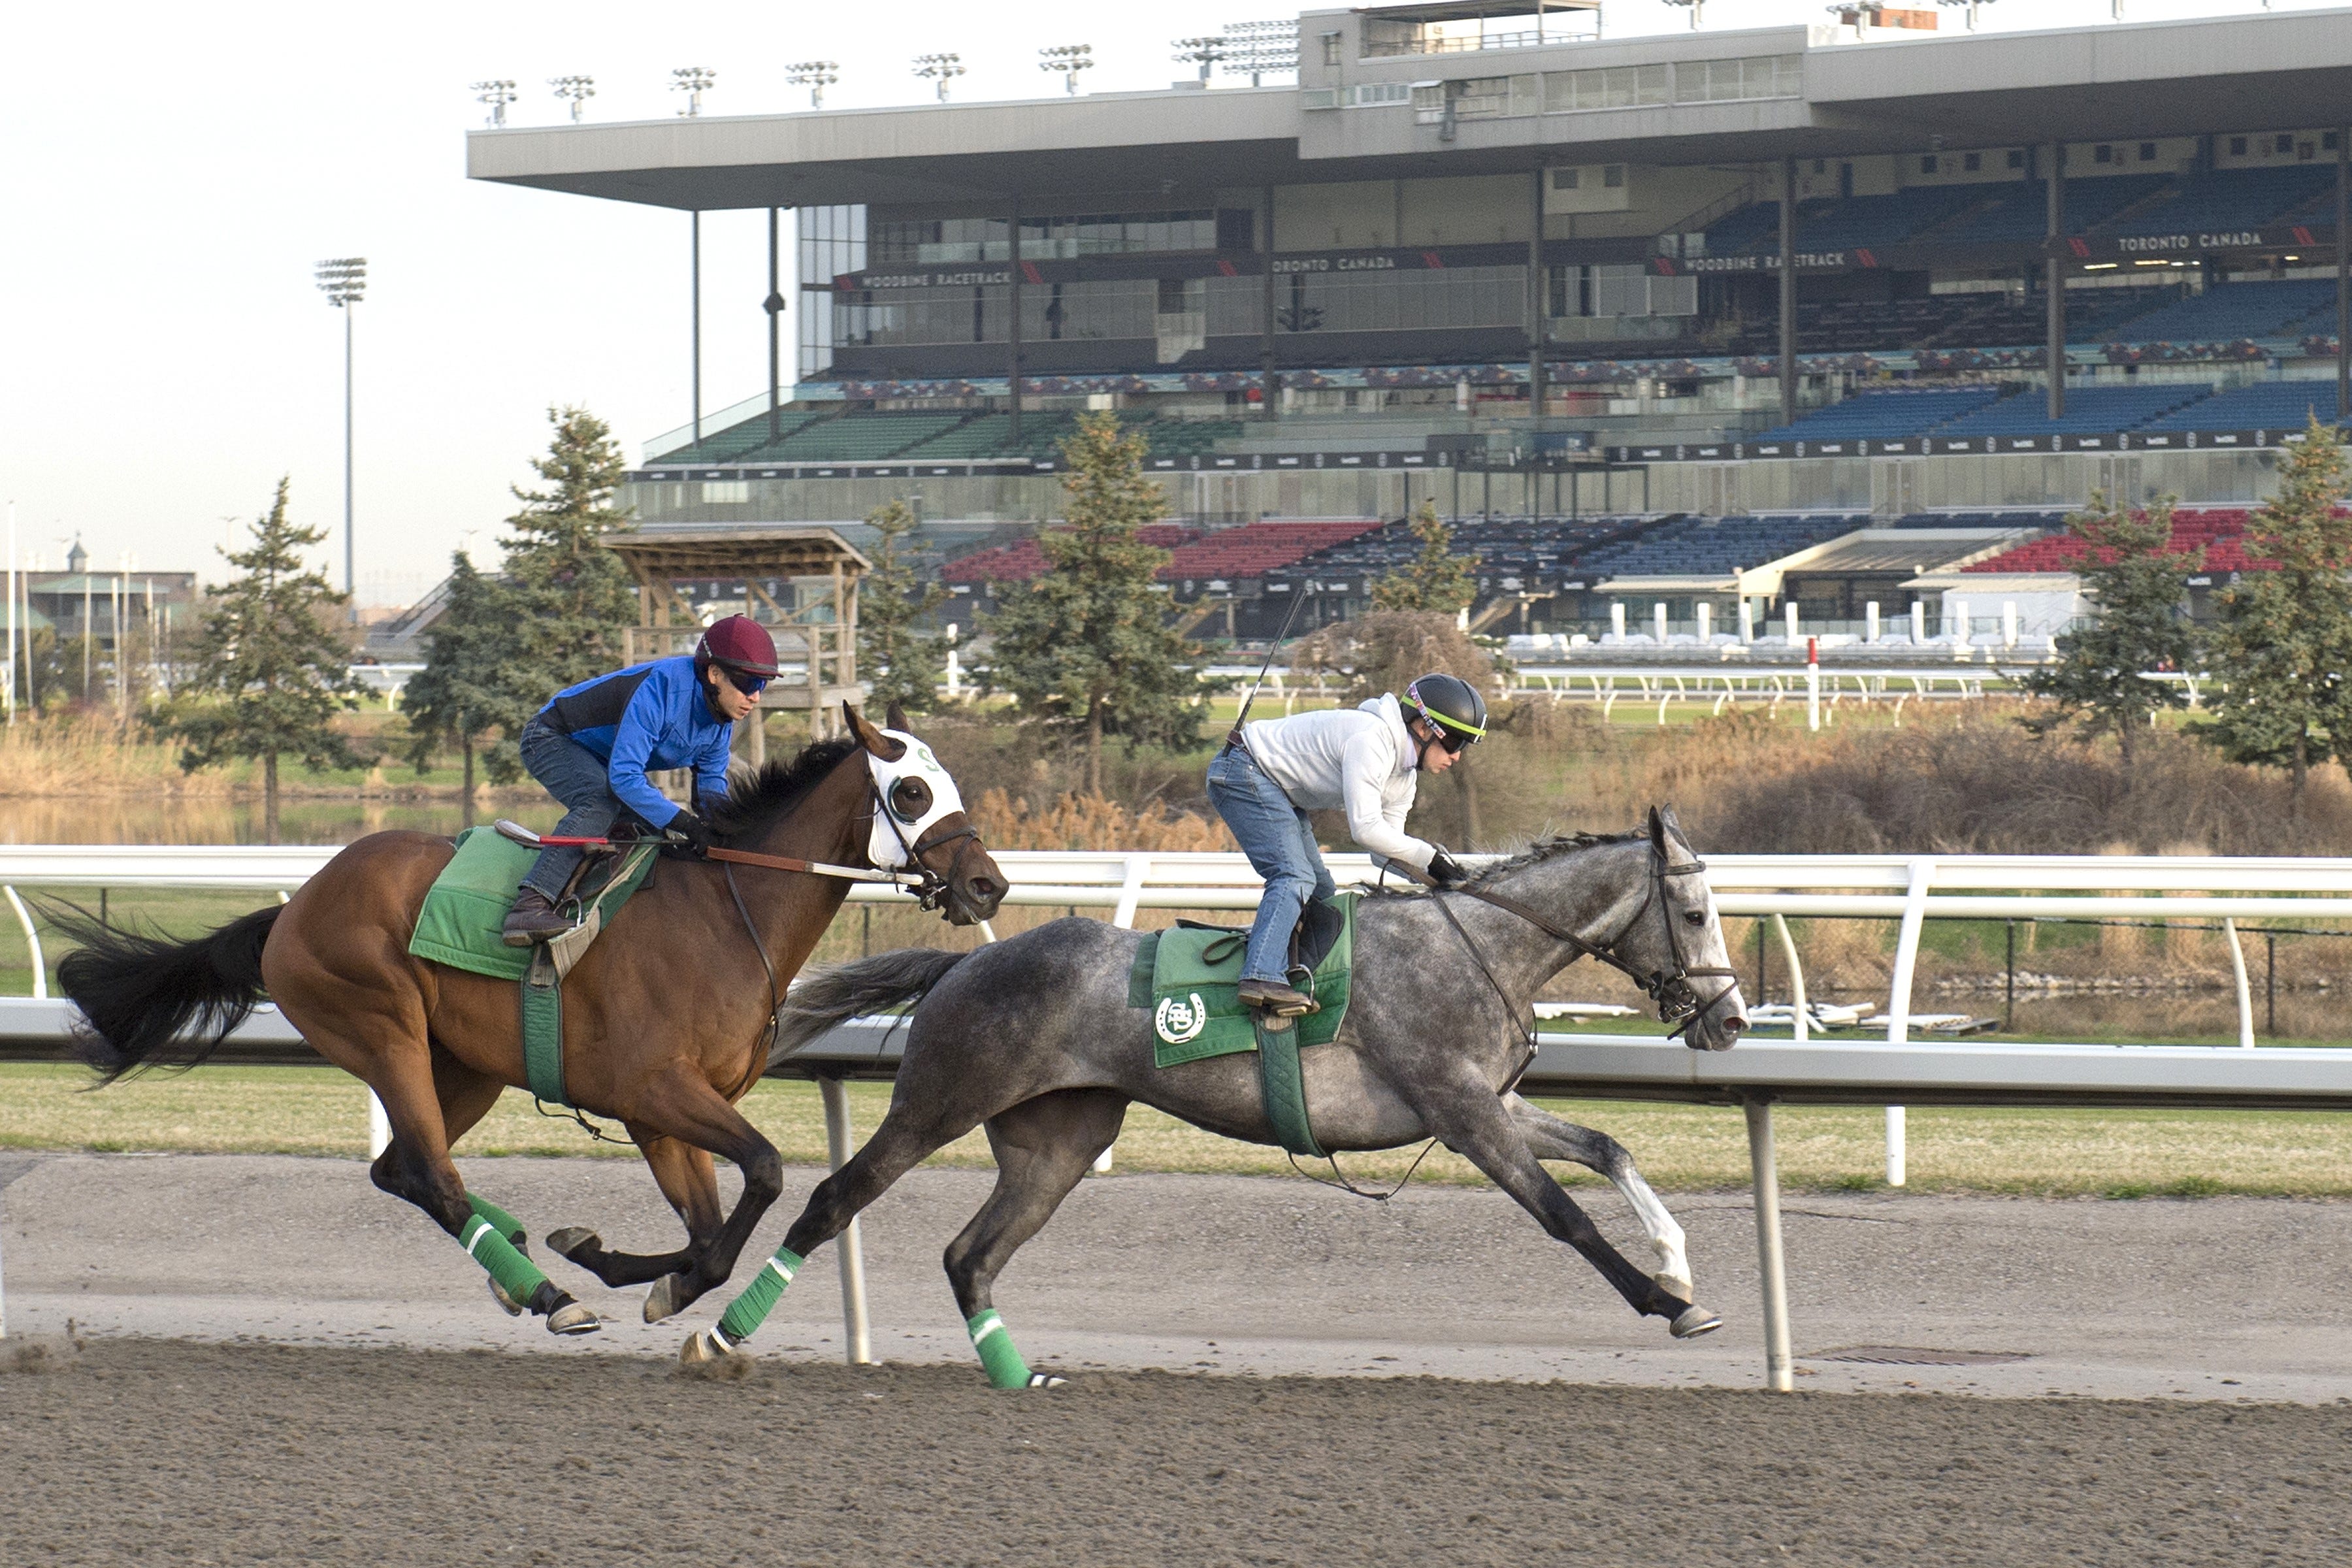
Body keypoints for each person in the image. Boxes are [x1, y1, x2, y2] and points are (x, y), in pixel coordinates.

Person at [1205, 671, 1488, 1015]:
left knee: (1323, 894)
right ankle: (1261, 976)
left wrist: (1440, 877)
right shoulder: (1371, 740)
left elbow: (1384, 851)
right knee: (1294, 877)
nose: (1457, 757)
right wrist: (1431, 857)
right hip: (1242, 770)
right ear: (1424, 728)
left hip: (1276, 789)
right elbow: (1365, 829)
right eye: (1456, 743)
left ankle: (1299, 974)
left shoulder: (1404, 779)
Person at [500, 614, 777, 946]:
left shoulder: (721, 721)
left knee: (652, 830)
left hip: (603, 757)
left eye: (762, 686)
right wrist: (688, 825)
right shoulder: (661, 688)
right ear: (714, 674)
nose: (756, 697)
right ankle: (531, 904)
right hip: (550, 738)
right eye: (749, 684)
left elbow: (711, 789)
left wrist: (717, 831)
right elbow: (625, 778)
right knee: (600, 800)